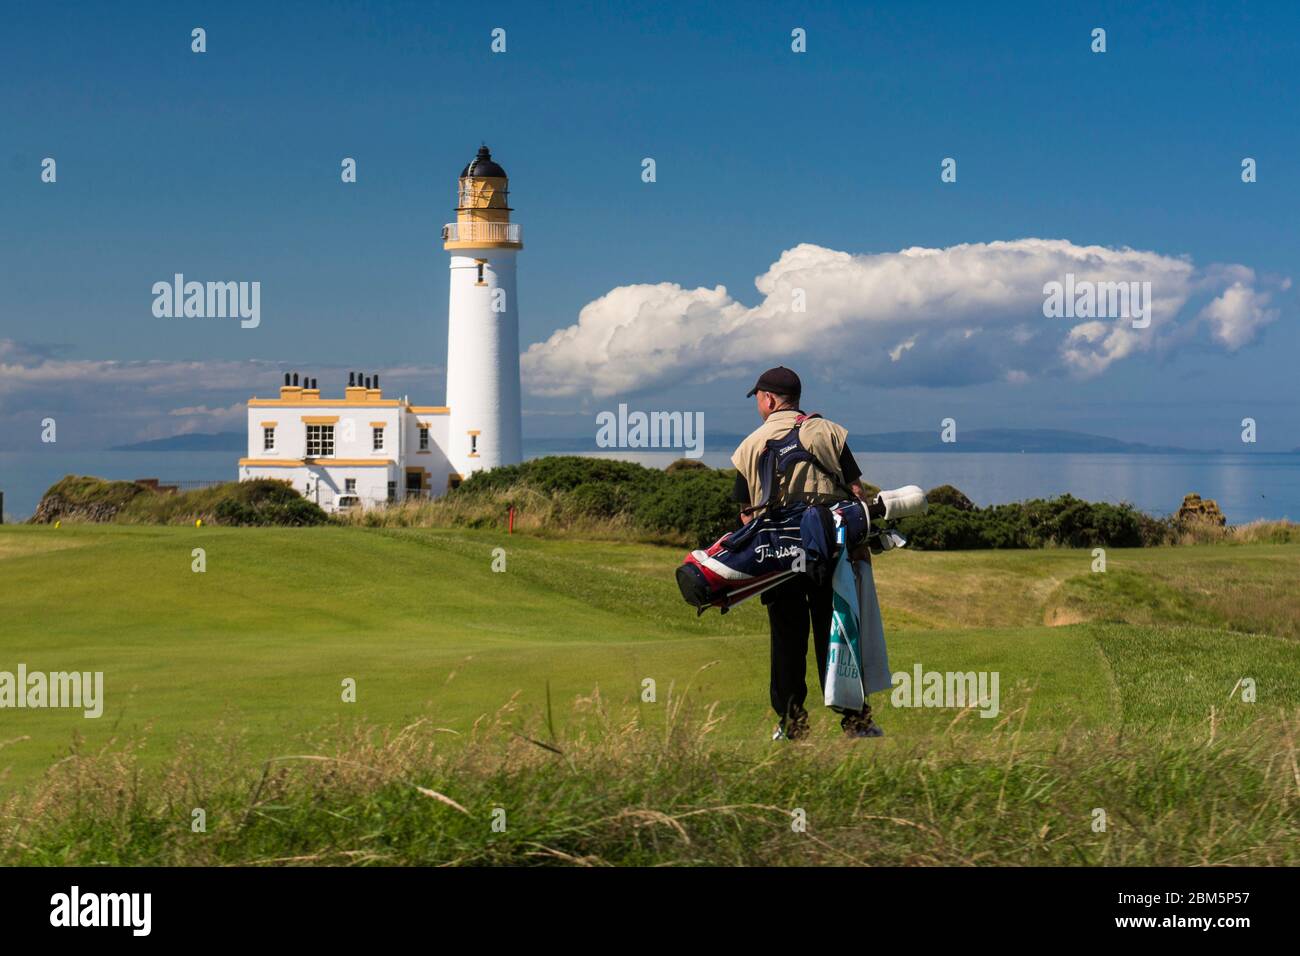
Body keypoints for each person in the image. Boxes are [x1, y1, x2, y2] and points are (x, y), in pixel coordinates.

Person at [730, 366, 883, 741]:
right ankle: (856, 722)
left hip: (777, 557)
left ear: (767, 399)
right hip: (828, 550)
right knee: (837, 633)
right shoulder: (830, 432)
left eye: (759, 399)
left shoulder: (750, 445)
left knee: (786, 640)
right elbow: (857, 493)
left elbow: (746, 515)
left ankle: (792, 724)